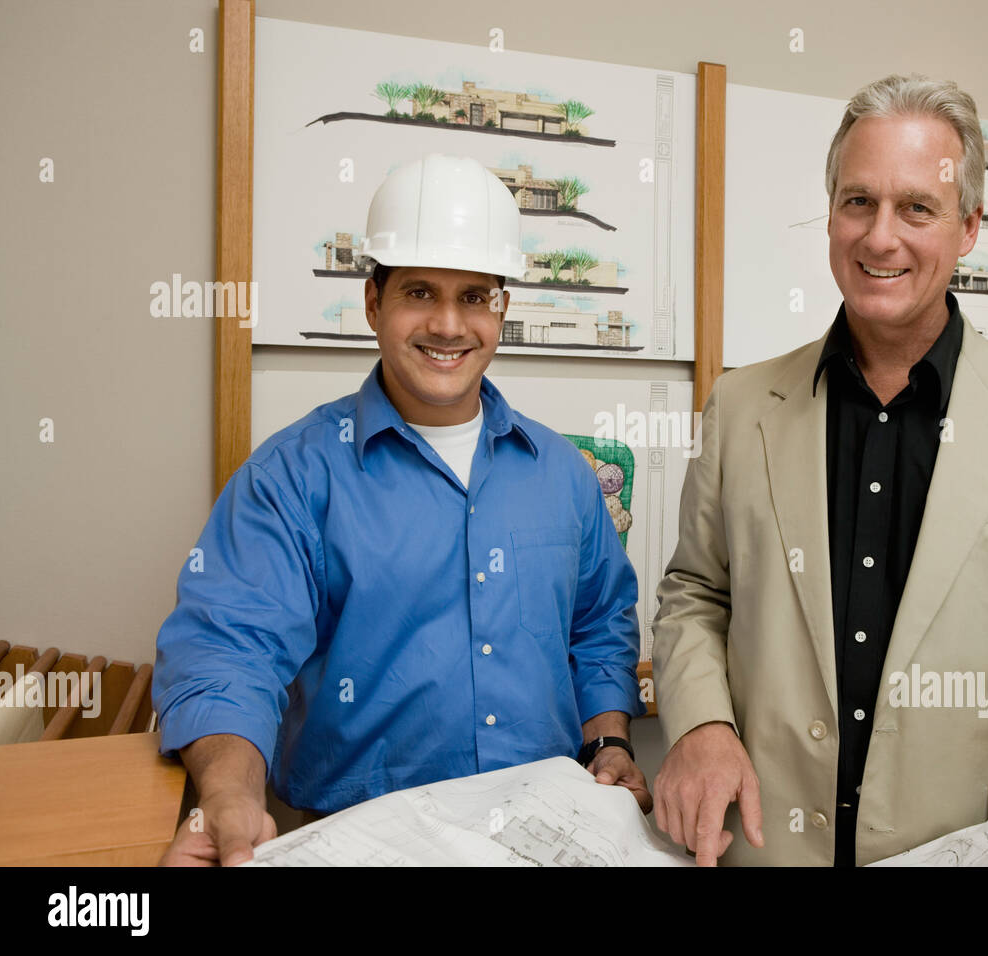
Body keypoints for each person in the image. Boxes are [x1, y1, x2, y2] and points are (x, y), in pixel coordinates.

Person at [650, 74, 988, 867]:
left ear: (969, 225)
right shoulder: (741, 406)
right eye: (857, 202)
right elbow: (696, 594)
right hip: (766, 840)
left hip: (972, 849)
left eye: (917, 207)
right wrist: (703, 725)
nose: (881, 237)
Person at [153, 154, 649, 867]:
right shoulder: (291, 477)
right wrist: (230, 797)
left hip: (549, 836)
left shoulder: (564, 477)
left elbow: (599, 625)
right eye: (420, 291)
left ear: (501, 308)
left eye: (475, 296)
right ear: (372, 302)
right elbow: (228, 654)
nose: (449, 325)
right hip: (359, 842)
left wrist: (608, 742)